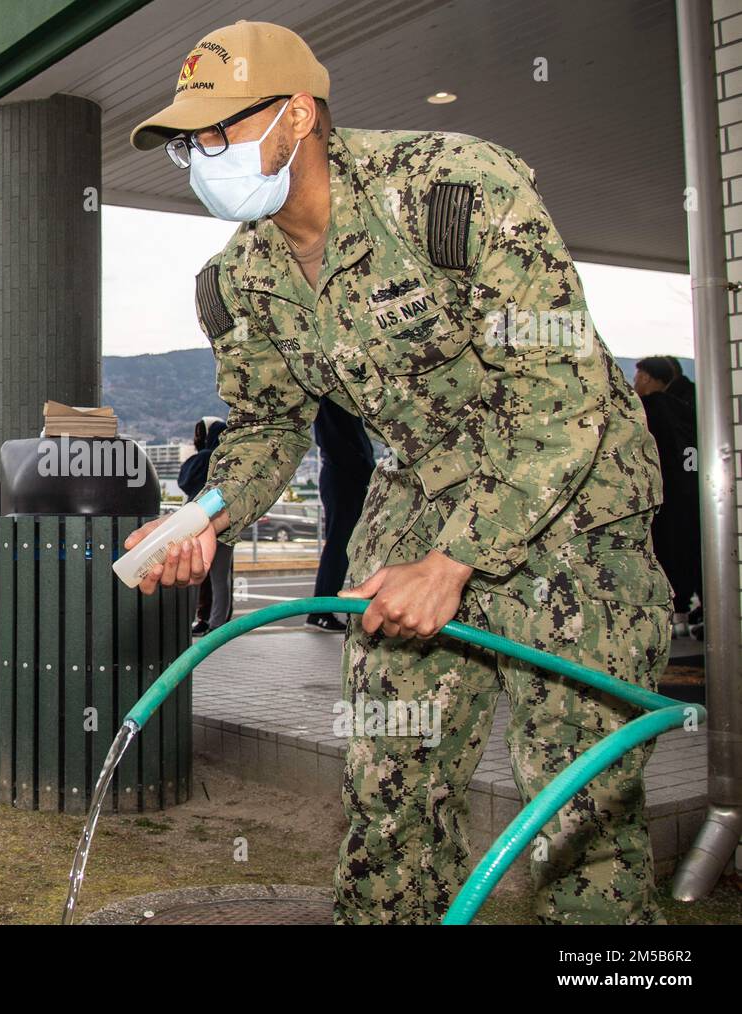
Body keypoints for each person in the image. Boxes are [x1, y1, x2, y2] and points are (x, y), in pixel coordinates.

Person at [125, 21, 670, 924]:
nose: (200, 157)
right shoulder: (237, 283)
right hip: (417, 505)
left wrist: (455, 561)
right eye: (190, 141)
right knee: (389, 795)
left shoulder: (453, 192)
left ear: (297, 115)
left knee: (582, 818)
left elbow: (560, 391)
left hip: (574, 513)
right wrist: (208, 516)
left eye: (219, 131)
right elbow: (266, 425)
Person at [634, 356, 701, 635]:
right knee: (688, 551)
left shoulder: (650, 410)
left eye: (638, 376)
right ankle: (683, 613)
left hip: (664, 496)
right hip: (688, 493)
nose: (635, 381)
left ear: (648, 378)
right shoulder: (684, 406)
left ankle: (673, 615)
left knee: (666, 552)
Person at [305, 399, 375, 632]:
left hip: (347, 475)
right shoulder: (333, 399)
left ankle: (324, 610)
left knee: (345, 545)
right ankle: (321, 611)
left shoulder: (340, 400)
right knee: (339, 545)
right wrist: (366, 468)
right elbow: (339, 443)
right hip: (344, 477)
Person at [178, 417, 232, 635]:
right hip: (225, 524)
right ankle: (218, 624)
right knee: (220, 578)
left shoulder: (200, 458)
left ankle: (192, 619)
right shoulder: (228, 459)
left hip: (196, 523)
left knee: (194, 576)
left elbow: (183, 482)